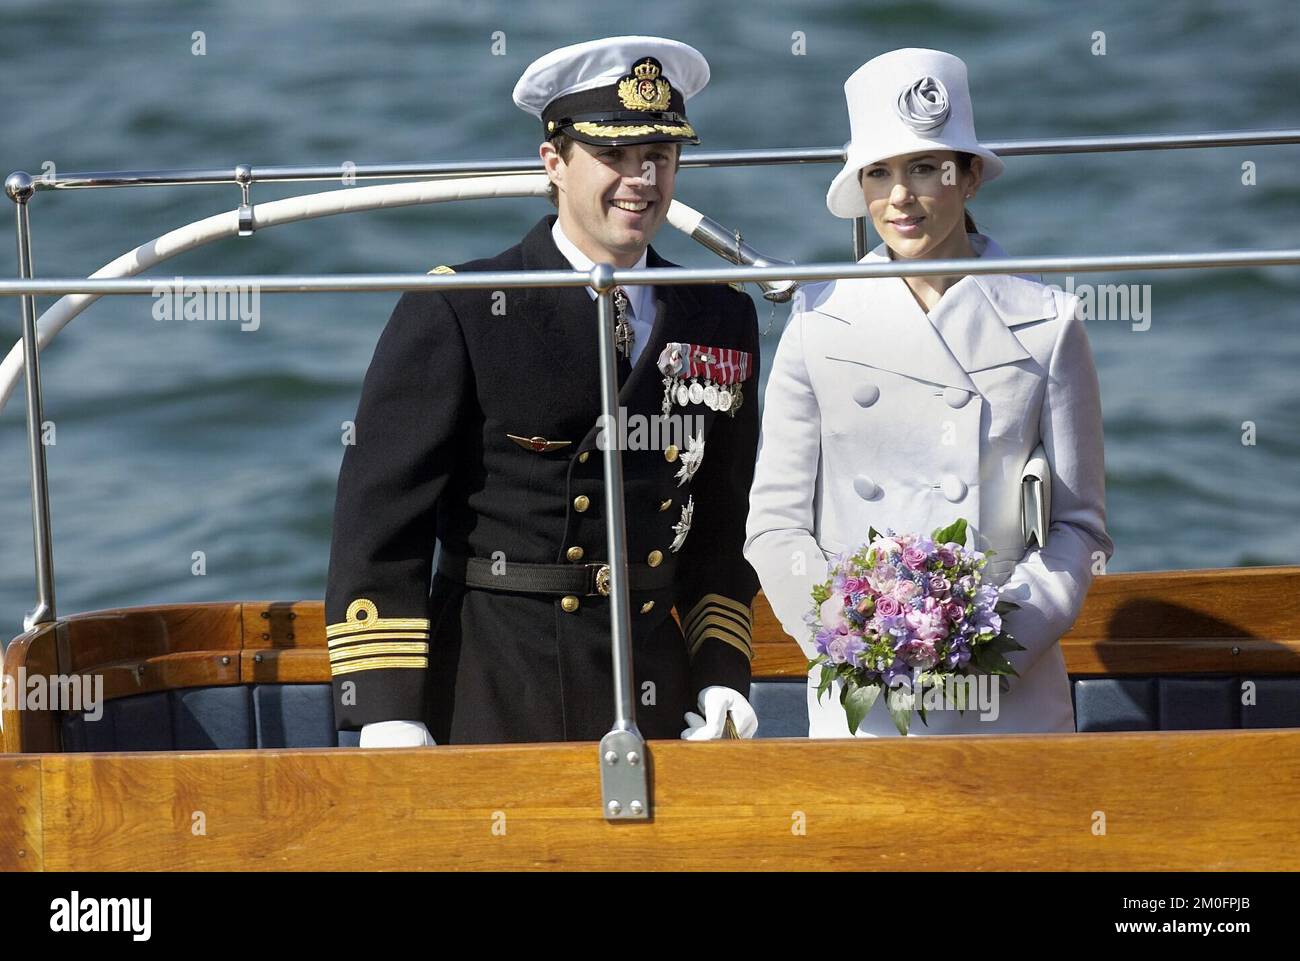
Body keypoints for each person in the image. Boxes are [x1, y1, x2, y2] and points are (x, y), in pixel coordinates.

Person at [326, 36, 762, 747]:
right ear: (554, 163)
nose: (642, 179)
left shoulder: (719, 311)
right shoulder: (460, 310)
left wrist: (720, 669)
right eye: (615, 157)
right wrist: (388, 709)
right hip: (495, 688)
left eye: (660, 155)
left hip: (659, 694)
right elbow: (378, 526)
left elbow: (718, 524)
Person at [743, 48, 1113, 737]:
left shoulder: (1049, 323)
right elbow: (774, 524)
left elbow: (1078, 526)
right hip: (863, 702)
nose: (900, 198)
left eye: (925, 169)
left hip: (1009, 692)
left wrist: (992, 645)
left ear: (969, 177)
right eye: (879, 174)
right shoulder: (818, 321)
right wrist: (846, 638)